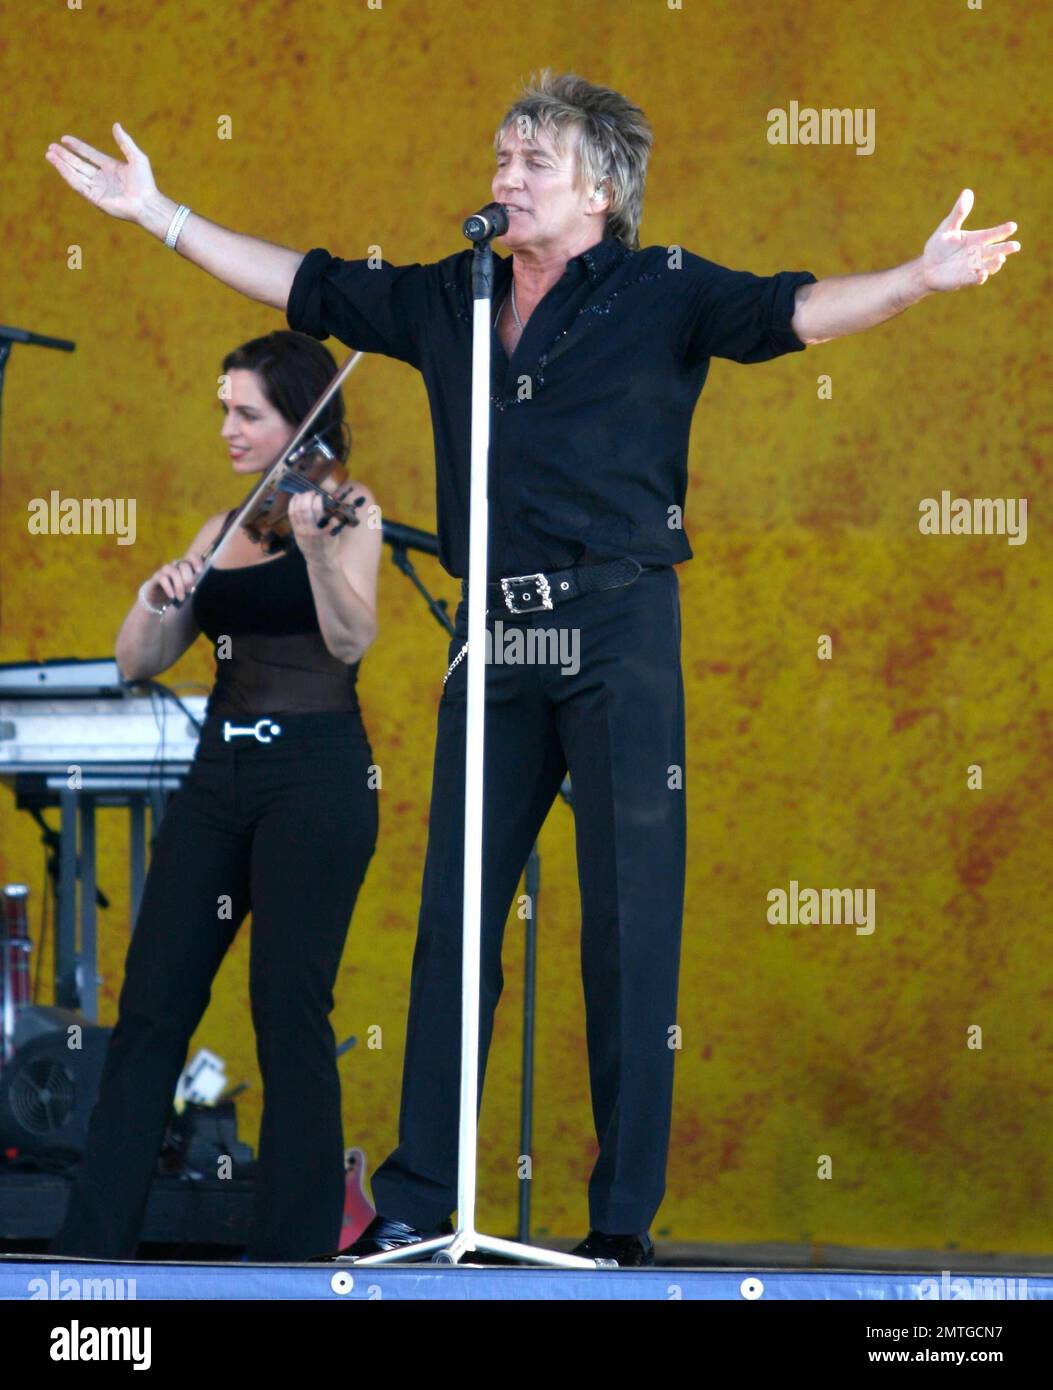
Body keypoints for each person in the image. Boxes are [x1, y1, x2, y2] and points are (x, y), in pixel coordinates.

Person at [46, 69, 1018, 1266]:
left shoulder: (665, 290)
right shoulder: (453, 293)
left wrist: (919, 278)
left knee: (626, 919)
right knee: (457, 919)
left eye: (532, 164)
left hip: (616, 625)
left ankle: (621, 1221)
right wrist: (160, 214)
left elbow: (793, 311)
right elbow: (305, 283)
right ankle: (418, 1195)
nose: (503, 180)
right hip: (494, 632)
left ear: (600, 188)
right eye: (500, 160)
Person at [50, 330, 382, 1263]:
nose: (229, 429)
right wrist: (158, 598)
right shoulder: (220, 525)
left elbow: (354, 640)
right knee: (153, 1004)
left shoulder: (351, 511)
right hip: (217, 778)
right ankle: (91, 1248)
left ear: (299, 421)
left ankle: (293, 1256)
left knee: (288, 1007)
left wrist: (317, 553)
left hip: (314, 780)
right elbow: (134, 661)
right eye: (223, 411)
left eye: (248, 413)